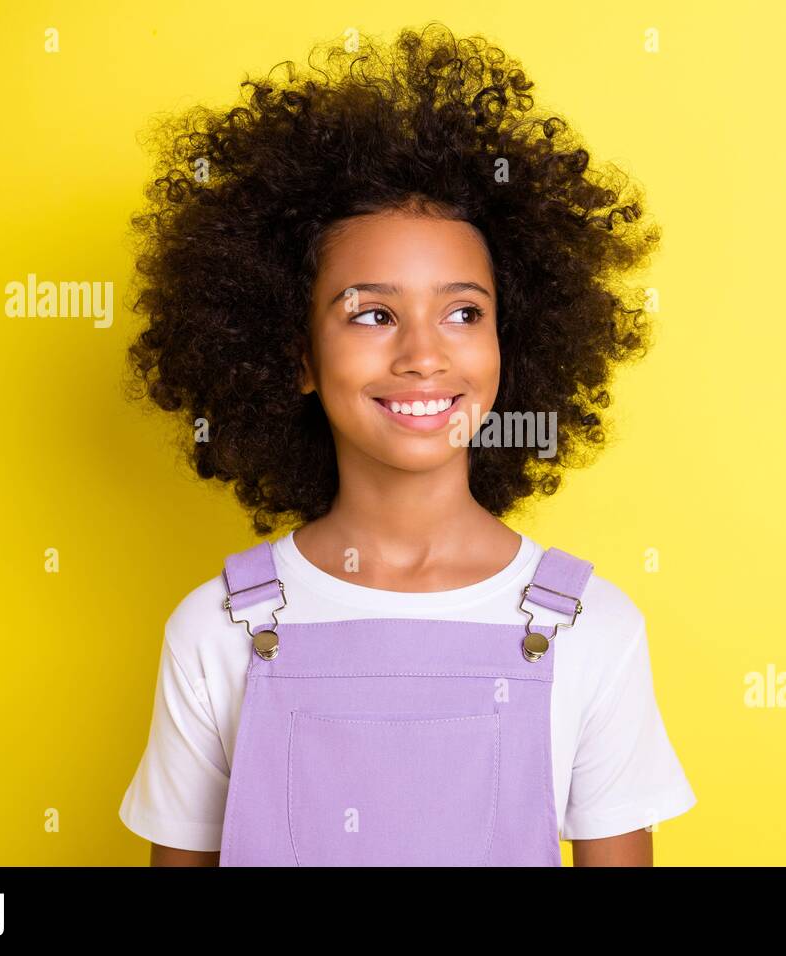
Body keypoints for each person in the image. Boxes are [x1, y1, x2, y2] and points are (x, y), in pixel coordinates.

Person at [118, 21, 695, 866]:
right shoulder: (217, 631)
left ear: (515, 342)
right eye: (373, 314)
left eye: (464, 312)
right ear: (296, 357)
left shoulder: (590, 630)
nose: (425, 355)